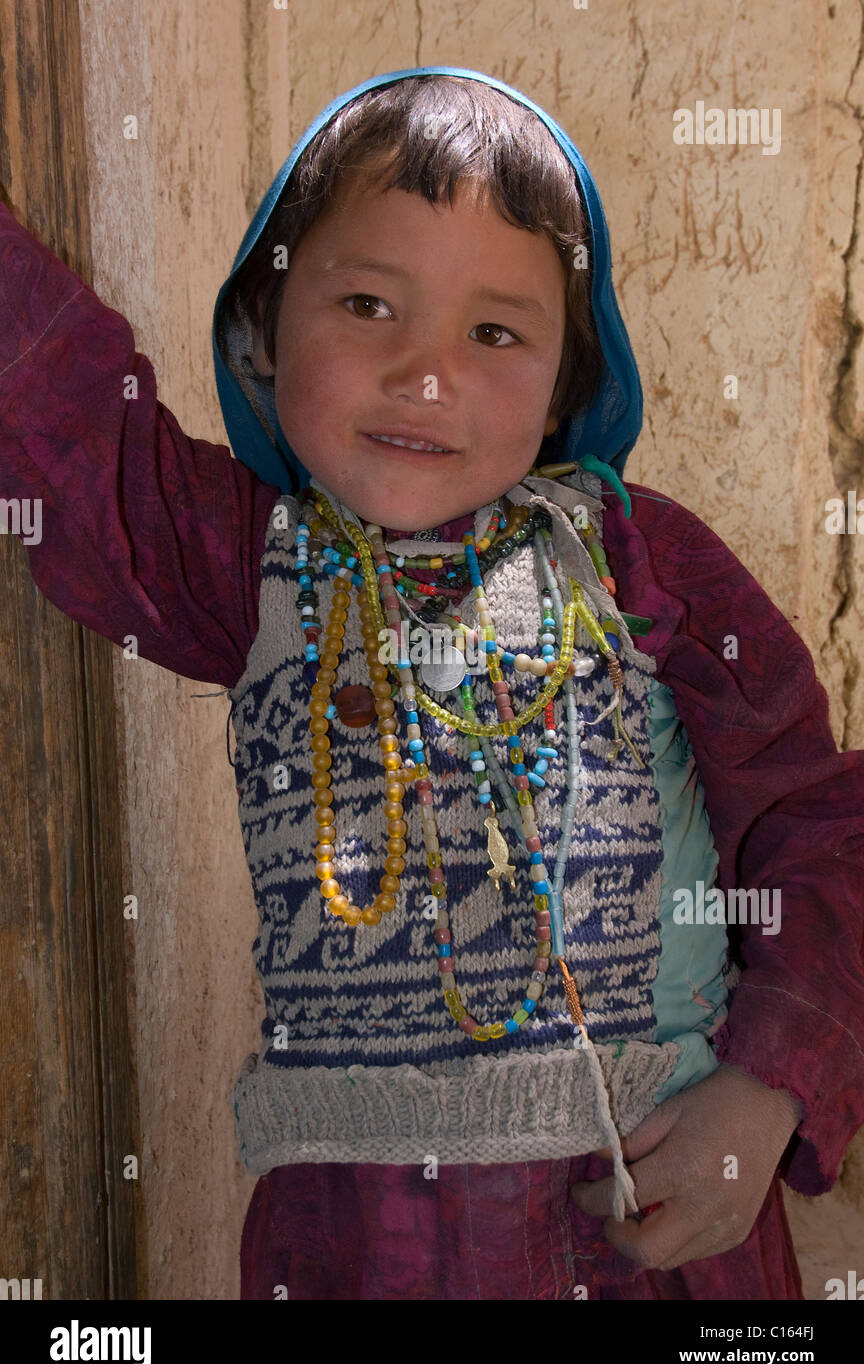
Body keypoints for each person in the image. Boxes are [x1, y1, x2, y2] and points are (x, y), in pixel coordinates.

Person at [1, 66, 862, 1302]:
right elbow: (72, 428)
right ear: (262, 332)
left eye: (495, 333)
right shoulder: (247, 564)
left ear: (567, 380)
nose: (425, 374)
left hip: (652, 1214)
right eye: (366, 303)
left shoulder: (641, 564)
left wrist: (771, 1089)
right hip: (357, 1242)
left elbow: (820, 826)